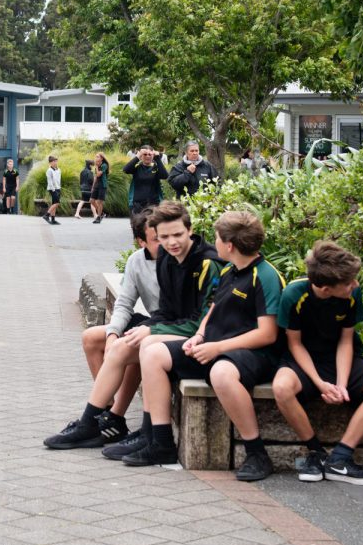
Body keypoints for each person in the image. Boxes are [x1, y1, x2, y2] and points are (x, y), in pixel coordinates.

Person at [131, 211, 284, 474]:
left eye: (217, 238)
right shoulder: (228, 270)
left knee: (220, 374)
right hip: (214, 347)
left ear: (229, 245)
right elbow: (212, 310)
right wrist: (199, 337)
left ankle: (256, 453)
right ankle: (161, 443)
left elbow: (267, 334)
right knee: (153, 353)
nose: (214, 243)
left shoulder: (266, 276)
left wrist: (217, 348)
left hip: (252, 354)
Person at [103, 202, 222, 461]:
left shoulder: (208, 263)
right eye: (164, 237)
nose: (171, 242)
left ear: (190, 230)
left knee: (150, 349)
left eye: (177, 234)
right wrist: (147, 327)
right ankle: (138, 432)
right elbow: (166, 309)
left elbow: (205, 322)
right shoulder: (167, 258)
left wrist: (152, 330)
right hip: (183, 331)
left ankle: (160, 442)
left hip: (210, 341)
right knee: (131, 343)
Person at [271, 241, 363, 485]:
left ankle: (340, 458)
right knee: (281, 387)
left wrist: (341, 385)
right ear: (326, 289)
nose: (355, 285)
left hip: (340, 356)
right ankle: (316, 452)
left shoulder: (352, 293)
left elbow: (346, 341)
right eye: (348, 283)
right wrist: (320, 383)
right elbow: (295, 344)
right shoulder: (294, 294)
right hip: (303, 358)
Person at [43, 210, 160, 450]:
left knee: (131, 344)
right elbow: (124, 303)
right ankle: (104, 413)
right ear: (141, 241)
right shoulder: (137, 261)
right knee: (92, 338)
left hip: (163, 325)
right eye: (157, 238)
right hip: (152, 320)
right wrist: (112, 334)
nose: (166, 241)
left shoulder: (177, 262)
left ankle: (114, 418)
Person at [123, 146, 168, 212]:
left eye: (150, 154)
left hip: (154, 205)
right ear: (141, 155)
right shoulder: (137, 167)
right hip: (137, 204)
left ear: (153, 155)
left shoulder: (156, 168)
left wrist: (157, 158)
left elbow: (165, 176)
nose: (147, 156)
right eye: (145, 154)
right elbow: (125, 170)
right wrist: (137, 156)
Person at [90, 151, 109, 222]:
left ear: (101, 158)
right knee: (91, 200)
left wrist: (96, 166)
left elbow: (98, 174)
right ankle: (101, 213)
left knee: (99, 201)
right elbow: (95, 177)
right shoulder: (97, 166)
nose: (96, 158)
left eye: (97, 156)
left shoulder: (104, 165)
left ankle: (98, 217)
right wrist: (93, 186)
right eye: (96, 156)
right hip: (97, 185)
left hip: (102, 185)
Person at [44, 155, 61, 224]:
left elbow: (59, 179)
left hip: (58, 188)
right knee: (57, 203)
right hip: (52, 189)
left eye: (56, 161)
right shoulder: (49, 170)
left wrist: (59, 187)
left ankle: (53, 219)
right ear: (50, 163)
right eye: (54, 161)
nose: (55, 162)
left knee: (54, 203)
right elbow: (50, 181)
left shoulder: (58, 169)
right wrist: (53, 190)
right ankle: (46, 215)